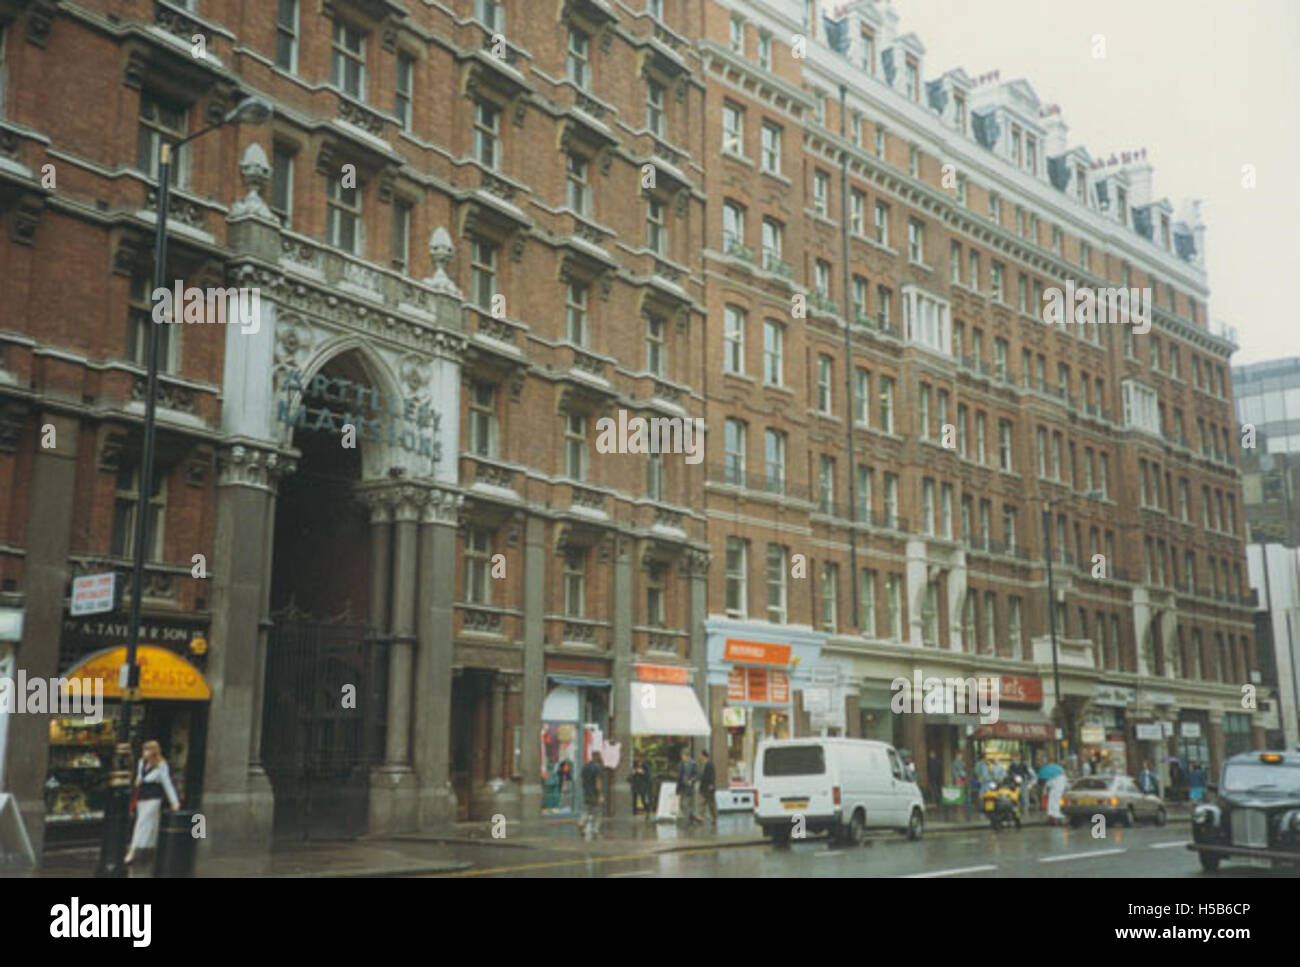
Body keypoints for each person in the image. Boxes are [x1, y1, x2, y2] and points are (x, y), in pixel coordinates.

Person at [124, 740, 181, 868]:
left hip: (153, 798)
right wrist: (137, 781)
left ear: (153, 752)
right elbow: (139, 777)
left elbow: (167, 783)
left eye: (147, 750)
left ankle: (132, 851)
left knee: (142, 823)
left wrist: (174, 801)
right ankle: (150, 850)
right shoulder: (141, 763)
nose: (144, 753)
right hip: (142, 797)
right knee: (150, 824)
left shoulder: (161, 765)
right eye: (144, 750)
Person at [579, 751, 605, 838]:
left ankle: (581, 823)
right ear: (598, 757)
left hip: (587, 791)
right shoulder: (597, 768)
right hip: (595, 793)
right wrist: (600, 794)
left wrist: (584, 789)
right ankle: (595, 829)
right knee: (597, 812)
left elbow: (582, 781)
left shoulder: (585, 766)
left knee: (587, 810)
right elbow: (598, 782)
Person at [676, 748, 699, 825]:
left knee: (686, 803)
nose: (682, 758)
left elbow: (696, 775)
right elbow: (679, 777)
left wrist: (691, 781)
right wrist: (678, 789)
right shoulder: (681, 764)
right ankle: (691, 816)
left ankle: (688, 819)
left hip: (689, 787)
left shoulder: (693, 764)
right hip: (683, 787)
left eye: (682, 756)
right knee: (682, 804)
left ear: (687, 756)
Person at [697, 750, 717, 825]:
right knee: (702, 802)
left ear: (703, 756)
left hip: (708, 787)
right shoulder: (703, 764)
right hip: (704, 787)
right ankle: (700, 817)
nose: (699, 757)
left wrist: (711, 785)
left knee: (711, 803)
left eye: (700, 755)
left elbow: (712, 775)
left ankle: (714, 817)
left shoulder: (709, 764)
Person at [951, 752, 969, 821]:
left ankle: (962, 809)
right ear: (957, 756)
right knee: (959, 793)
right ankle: (959, 809)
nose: (960, 757)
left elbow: (964, 769)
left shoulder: (962, 763)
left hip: (962, 778)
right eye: (959, 756)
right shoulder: (955, 763)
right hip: (958, 779)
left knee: (962, 792)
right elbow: (954, 772)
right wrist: (957, 778)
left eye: (961, 756)